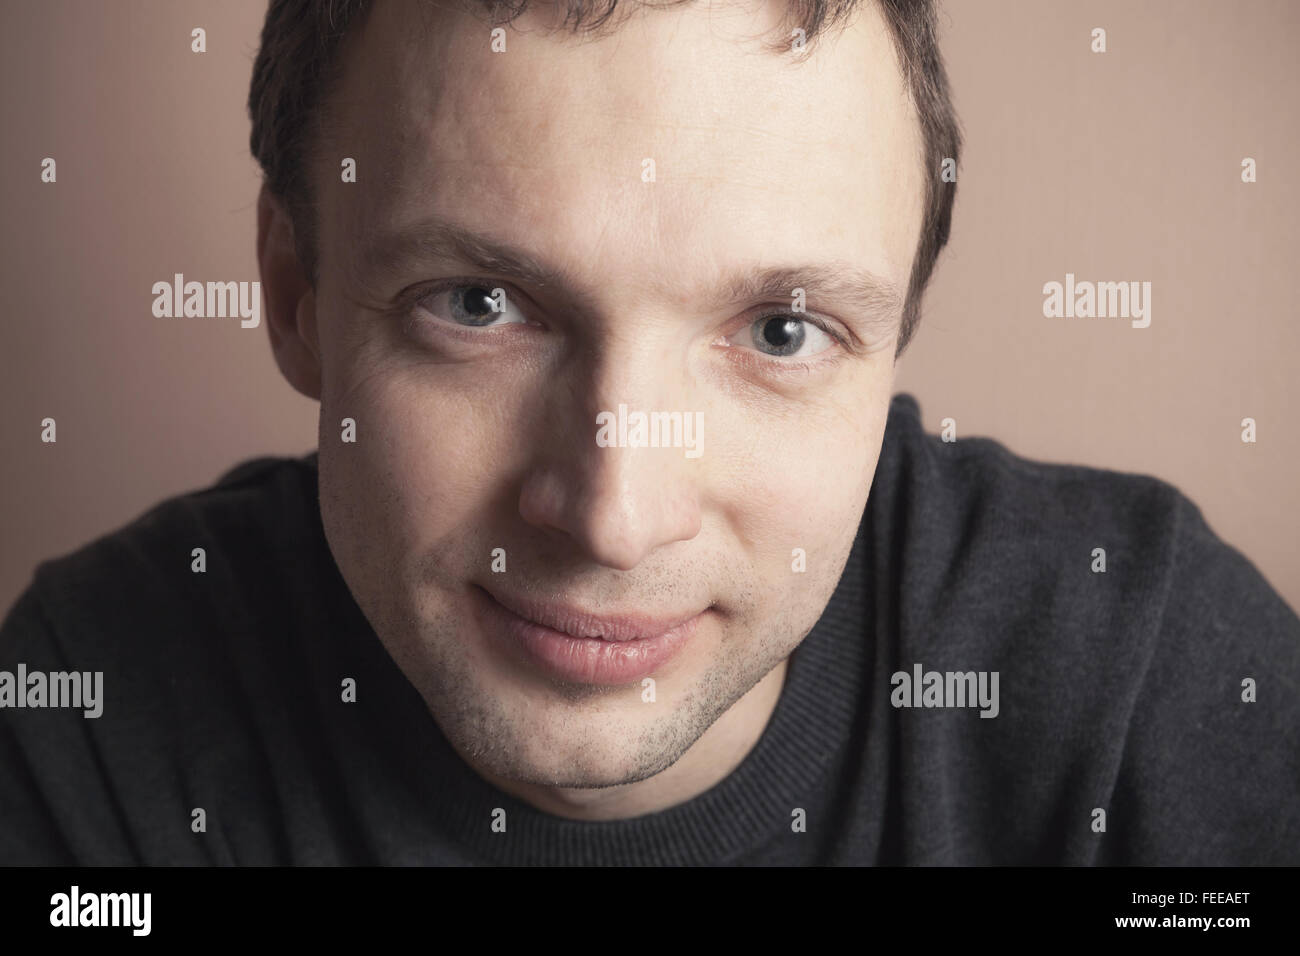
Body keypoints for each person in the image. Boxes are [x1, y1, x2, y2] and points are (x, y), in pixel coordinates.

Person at [2, 0, 1297, 866]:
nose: (617, 520)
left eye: (783, 332)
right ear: (294, 296)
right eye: (479, 305)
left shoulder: (1145, 674)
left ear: (898, 328)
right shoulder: (96, 724)